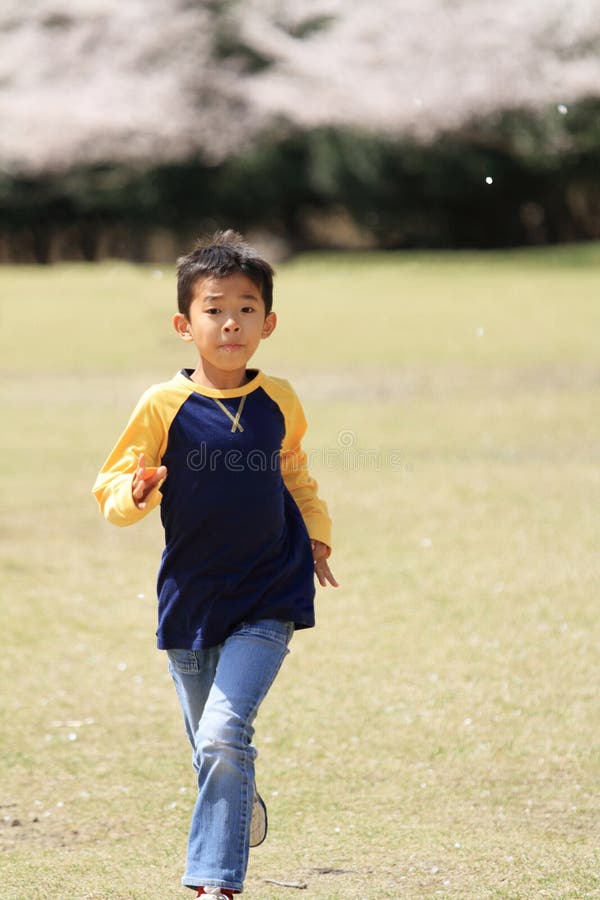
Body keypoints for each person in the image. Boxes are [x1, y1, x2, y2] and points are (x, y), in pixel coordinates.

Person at [92, 230, 337, 898]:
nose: (231, 321)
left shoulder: (280, 399)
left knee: (228, 732)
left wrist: (316, 535)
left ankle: (214, 883)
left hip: (270, 590)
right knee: (212, 749)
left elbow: (296, 478)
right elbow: (111, 488)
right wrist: (135, 492)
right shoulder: (161, 405)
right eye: (214, 308)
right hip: (191, 599)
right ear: (184, 323)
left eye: (246, 308)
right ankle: (237, 805)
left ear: (269, 322)